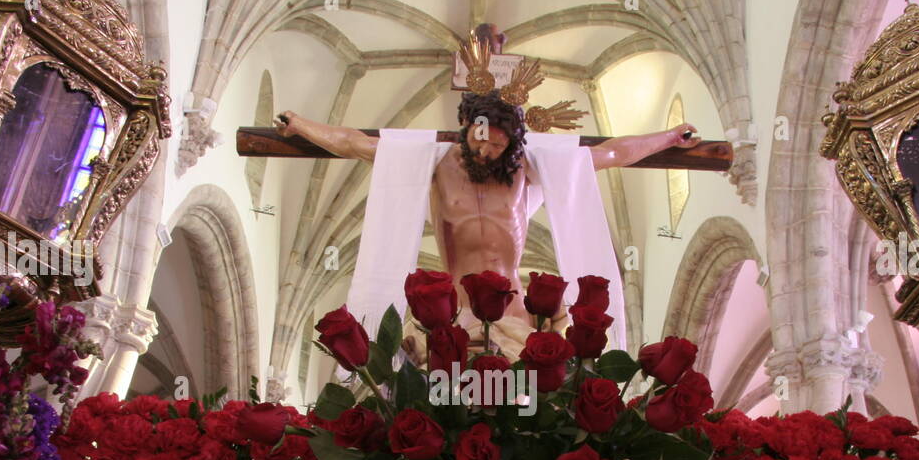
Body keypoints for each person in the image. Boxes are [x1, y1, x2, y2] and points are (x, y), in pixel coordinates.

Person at [275, 95, 698, 360]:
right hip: (453, 307)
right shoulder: (434, 161)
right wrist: (300, 125)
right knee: (448, 401)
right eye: (480, 139)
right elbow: (355, 143)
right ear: (466, 128)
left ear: (511, 143)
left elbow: (610, 154)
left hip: (513, 308)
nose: (487, 150)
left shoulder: (528, 167)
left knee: (517, 403)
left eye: (498, 145)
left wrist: (669, 136)